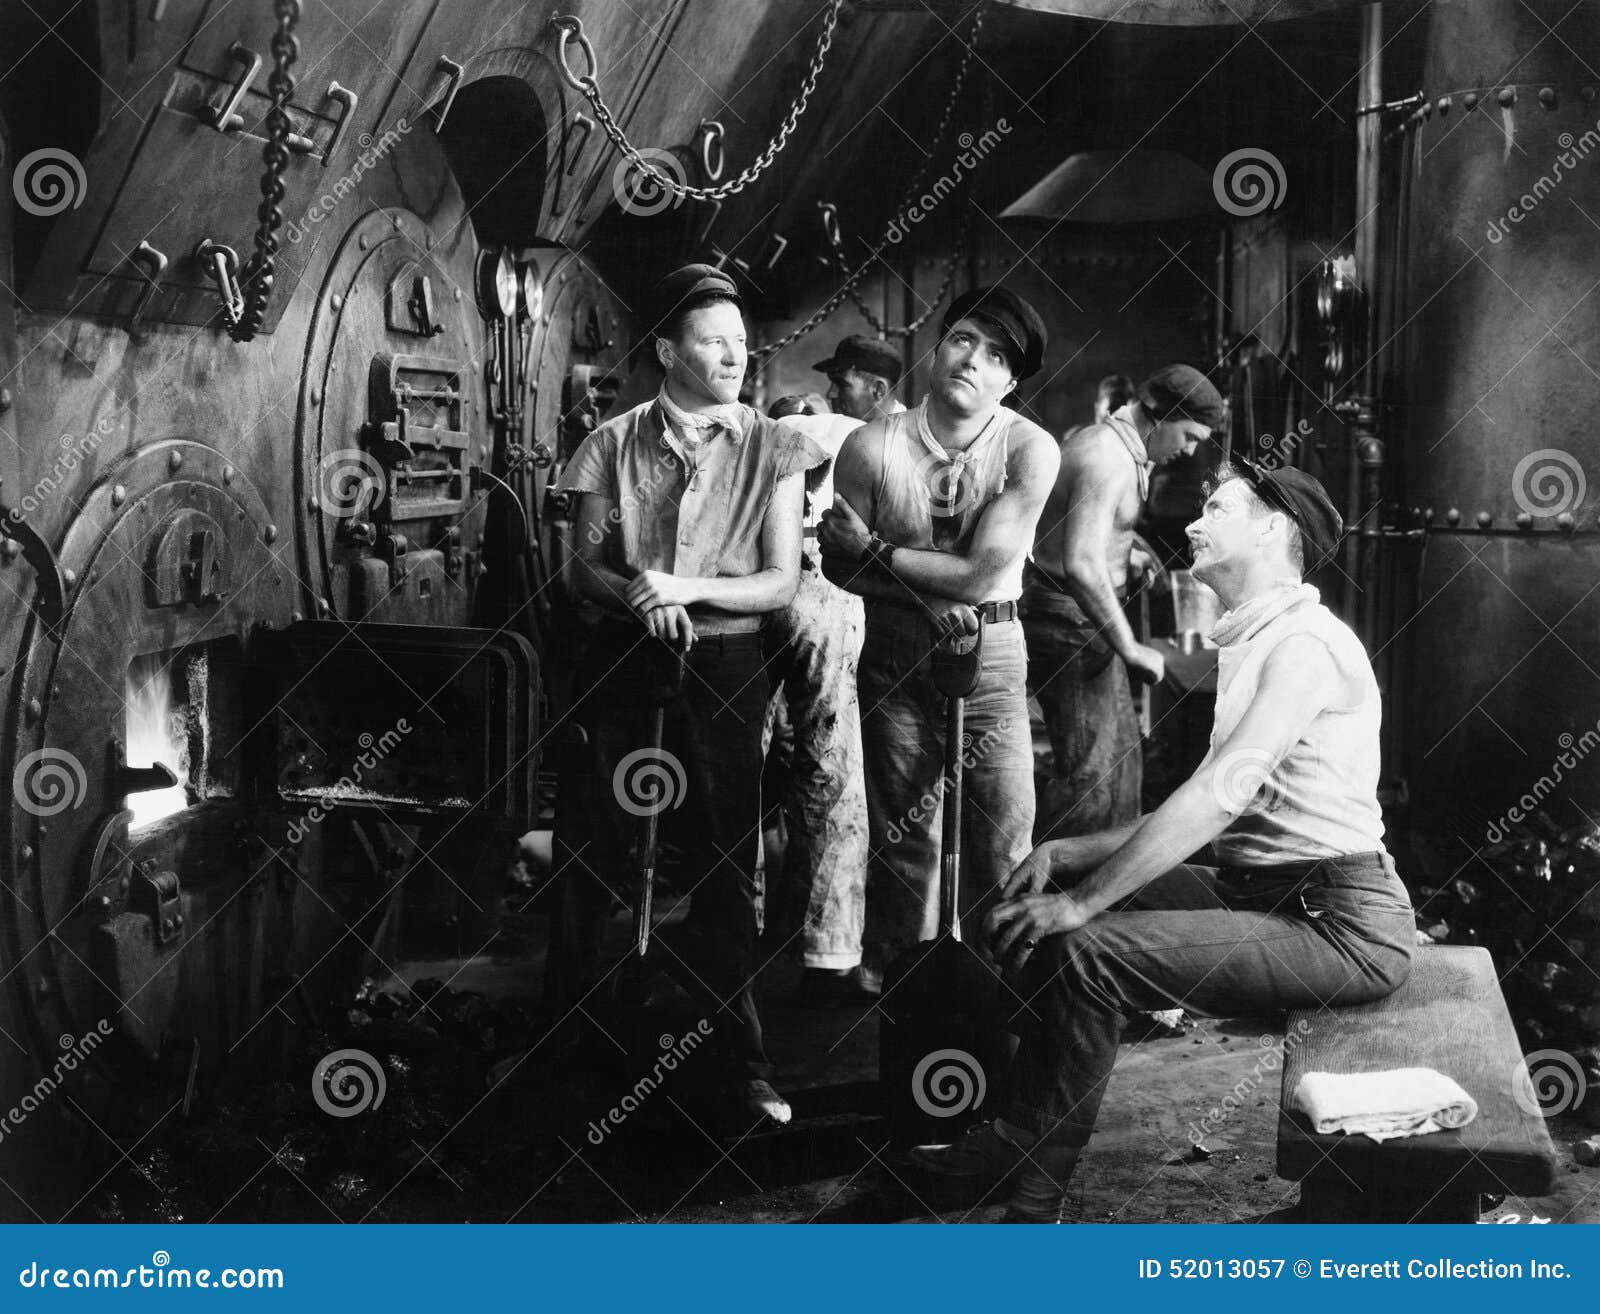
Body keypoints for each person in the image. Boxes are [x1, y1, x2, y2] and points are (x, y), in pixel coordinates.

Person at [910, 460, 1414, 1222]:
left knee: (1088, 948)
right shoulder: (1256, 639)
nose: (1190, 523)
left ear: (1275, 529)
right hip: (1272, 894)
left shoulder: (1305, 645)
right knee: (1050, 898)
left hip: (1341, 925)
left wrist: (1086, 902)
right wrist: (1069, 857)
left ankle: (1028, 1202)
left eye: (1217, 508)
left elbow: (1218, 796)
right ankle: (1016, 1132)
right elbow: (1207, 798)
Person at [550, 263, 825, 1125]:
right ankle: (577, 1052)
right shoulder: (610, 441)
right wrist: (634, 594)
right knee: (600, 849)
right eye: (714, 341)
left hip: (727, 669)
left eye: (742, 343)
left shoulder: (775, 446)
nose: (735, 356)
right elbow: (580, 569)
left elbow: (780, 582)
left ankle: (739, 1065)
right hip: (625, 664)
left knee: (720, 861)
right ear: (668, 350)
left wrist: (685, 591)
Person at [818, 286, 1060, 990]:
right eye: (963, 340)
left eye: (994, 357)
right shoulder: (869, 447)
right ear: (939, 342)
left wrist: (879, 552)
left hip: (992, 650)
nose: (972, 362)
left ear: (1010, 381)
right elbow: (837, 562)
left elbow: (984, 575)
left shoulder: (1028, 449)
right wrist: (914, 594)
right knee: (904, 834)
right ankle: (909, 994)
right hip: (895, 653)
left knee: (1004, 831)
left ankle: (1003, 993)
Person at [1025, 364, 1225, 839]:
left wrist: (1130, 544)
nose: (1190, 450)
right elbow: (1079, 563)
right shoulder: (1105, 457)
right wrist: (1131, 648)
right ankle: (1050, 899)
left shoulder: (1125, 450)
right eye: (1190, 435)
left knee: (1124, 765)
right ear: (1161, 414)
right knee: (1090, 778)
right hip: (1069, 622)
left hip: (1086, 619)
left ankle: (1104, 897)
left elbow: (1087, 529)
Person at [762, 396, 873, 1001]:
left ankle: (744, 932)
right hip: (830, 585)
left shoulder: (758, 429)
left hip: (753, 580)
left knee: (745, 769)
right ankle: (829, 952)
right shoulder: (862, 433)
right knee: (834, 770)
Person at [813, 334, 908, 423]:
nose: (830, 394)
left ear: (878, 390)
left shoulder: (905, 437)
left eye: (842, 385)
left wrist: (825, 425)